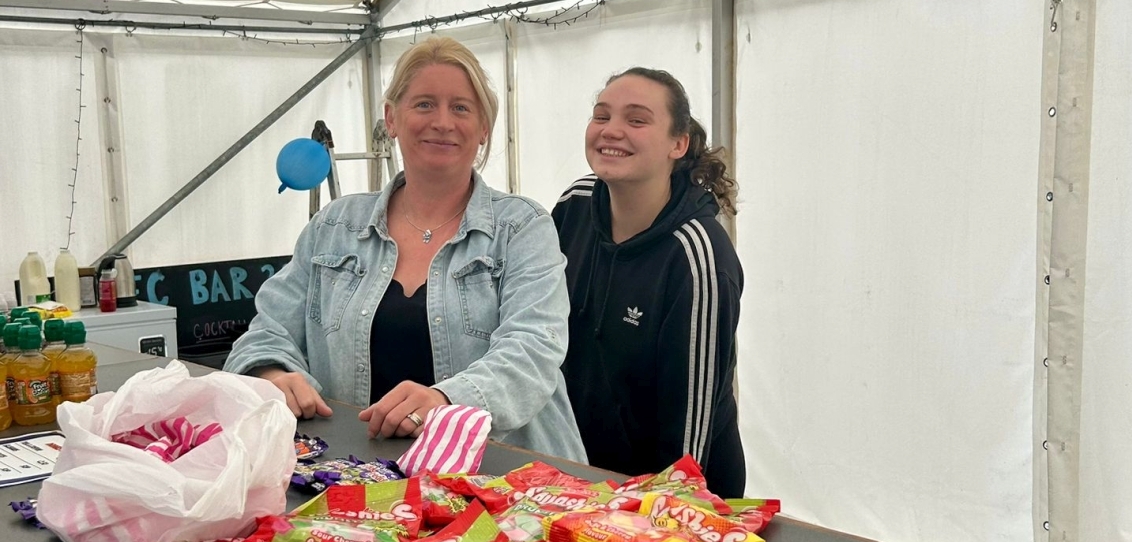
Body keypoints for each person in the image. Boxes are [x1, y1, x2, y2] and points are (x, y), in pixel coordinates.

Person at [226, 36, 586, 461]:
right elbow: (269, 329)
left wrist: (447, 401)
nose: (442, 122)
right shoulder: (335, 225)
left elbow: (533, 349)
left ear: (484, 127)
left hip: (503, 478)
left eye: (461, 108)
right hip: (357, 478)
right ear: (391, 118)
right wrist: (269, 371)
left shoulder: (522, 227)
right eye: (424, 104)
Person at [552, 67, 745, 496]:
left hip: (672, 499)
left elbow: (688, 438)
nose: (612, 131)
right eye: (601, 116)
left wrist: (653, 516)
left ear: (679, 144)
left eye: (636, 120)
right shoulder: (573, 206)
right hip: (580, 478)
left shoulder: (698, 256)